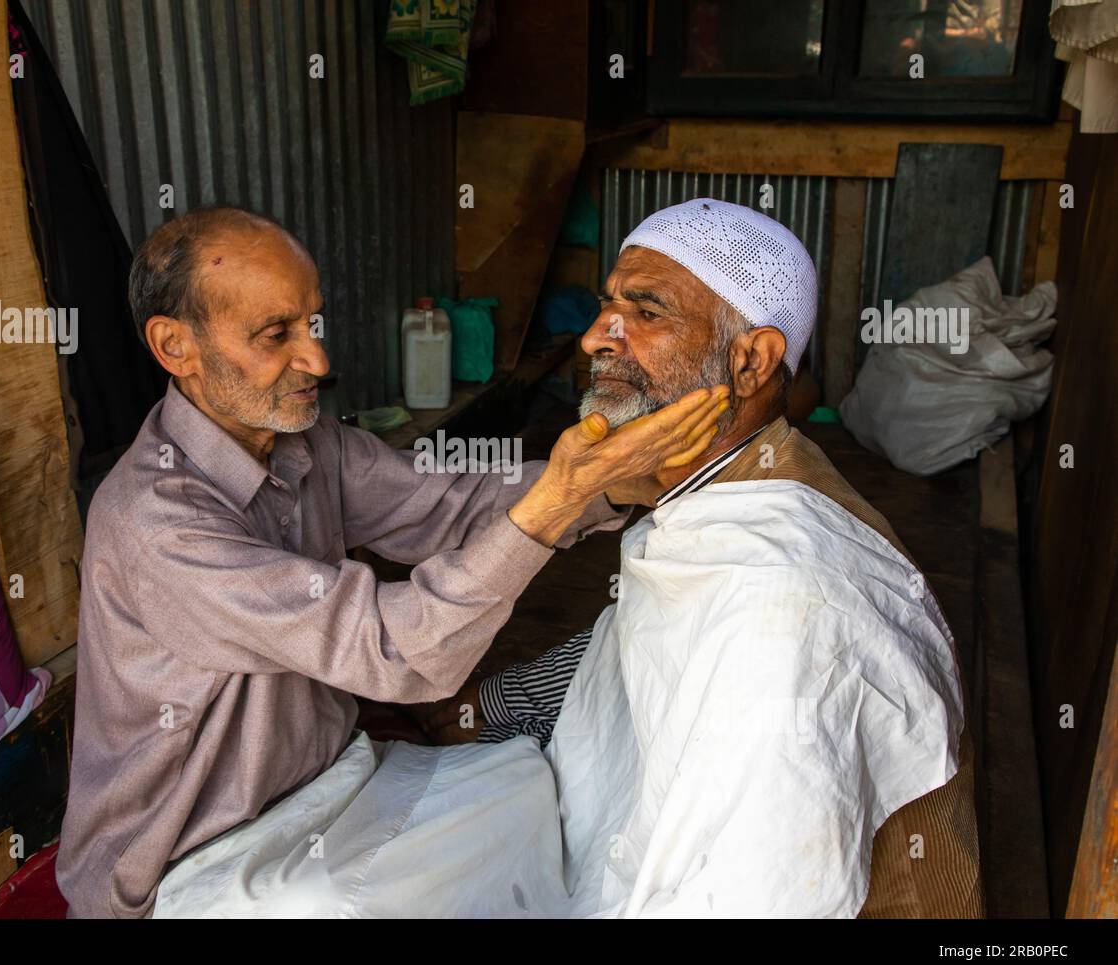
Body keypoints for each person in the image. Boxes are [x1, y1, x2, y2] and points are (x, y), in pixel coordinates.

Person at [55, 205, 727, 918]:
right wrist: (559, 499)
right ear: (174, 346)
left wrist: (608, 481)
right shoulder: (155, 524)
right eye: (276, 334)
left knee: (526, 791)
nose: (316, 358)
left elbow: (447, 506)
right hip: (192, 857)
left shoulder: (308, 442)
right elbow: (390, 649)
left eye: (312, 322)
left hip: (329, 783)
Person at [446, 198, 984, 917]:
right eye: (608, 307)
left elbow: (756, 892)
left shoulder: (784, 611)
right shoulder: (731, 483)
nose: (596, 340)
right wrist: (488, 708)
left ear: (751, 359)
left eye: (646, 313)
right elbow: (637, 642)